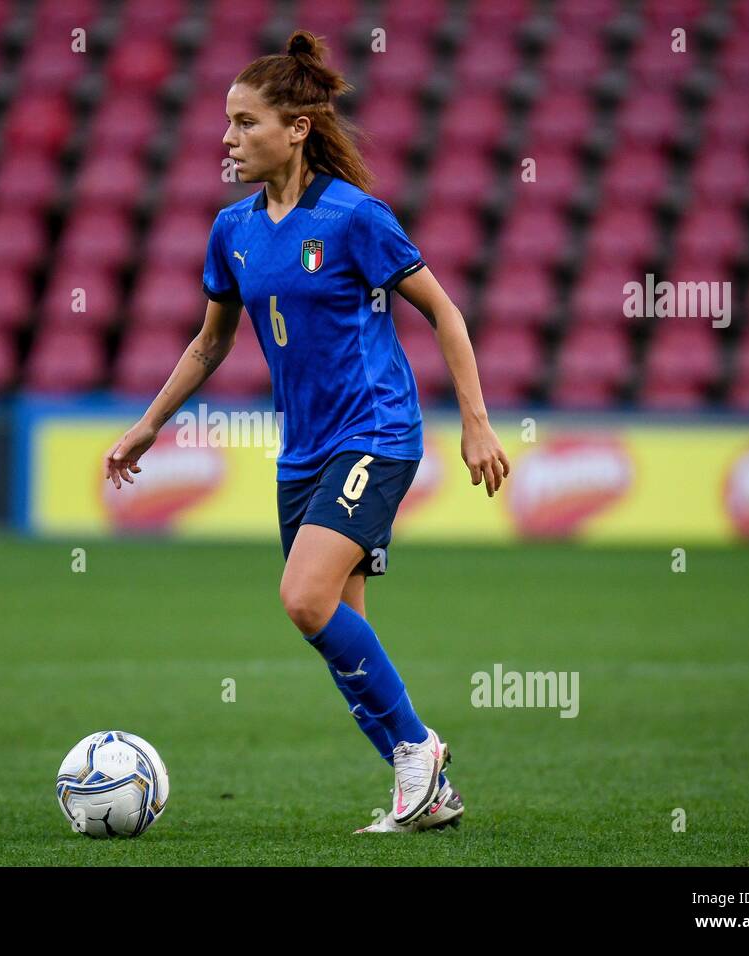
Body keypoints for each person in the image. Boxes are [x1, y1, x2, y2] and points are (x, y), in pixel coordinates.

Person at [103, 30, 510, 833]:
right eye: (227, 122)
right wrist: (149, 425)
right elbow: (210, 341)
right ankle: (426, 794)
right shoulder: (234, 231)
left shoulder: (356, 217)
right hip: (303, 452)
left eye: (246, 122)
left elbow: (445, 312)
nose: (228, 138)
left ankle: (419, 749)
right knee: (336, 631)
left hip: (376, 433)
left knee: (302, 597)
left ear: (296, 128)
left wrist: (476, 422)